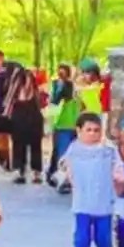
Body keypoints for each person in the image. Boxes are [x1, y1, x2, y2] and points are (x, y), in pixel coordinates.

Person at [59, 112, 124, 247]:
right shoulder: (73, 149)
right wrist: (64, 176)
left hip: (104, 202)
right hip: (82, 203)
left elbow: (118, 168)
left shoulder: (108, 150)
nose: (93, 134)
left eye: (97, 130)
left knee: (103, 236)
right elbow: (64, 166)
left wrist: (121, 182)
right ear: (79, 131)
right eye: (88, 130)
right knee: (82, 237)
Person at [4, 65, 45, 185]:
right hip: (32, 118)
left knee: (20, 145)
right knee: (33, 146)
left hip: (22, 118)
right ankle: (34, 173)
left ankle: (21, 172)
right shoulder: (34, 89)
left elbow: (8, 101)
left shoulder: (14, 87)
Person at [47, 63, 79, 192]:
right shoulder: (56, 85)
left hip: (69, 123)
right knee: (61, 152)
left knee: (64, 152)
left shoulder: (70, 86)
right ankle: (59, 177)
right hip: (62, 123)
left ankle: (61, 177)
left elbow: (56, 100)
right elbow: (54, 101)